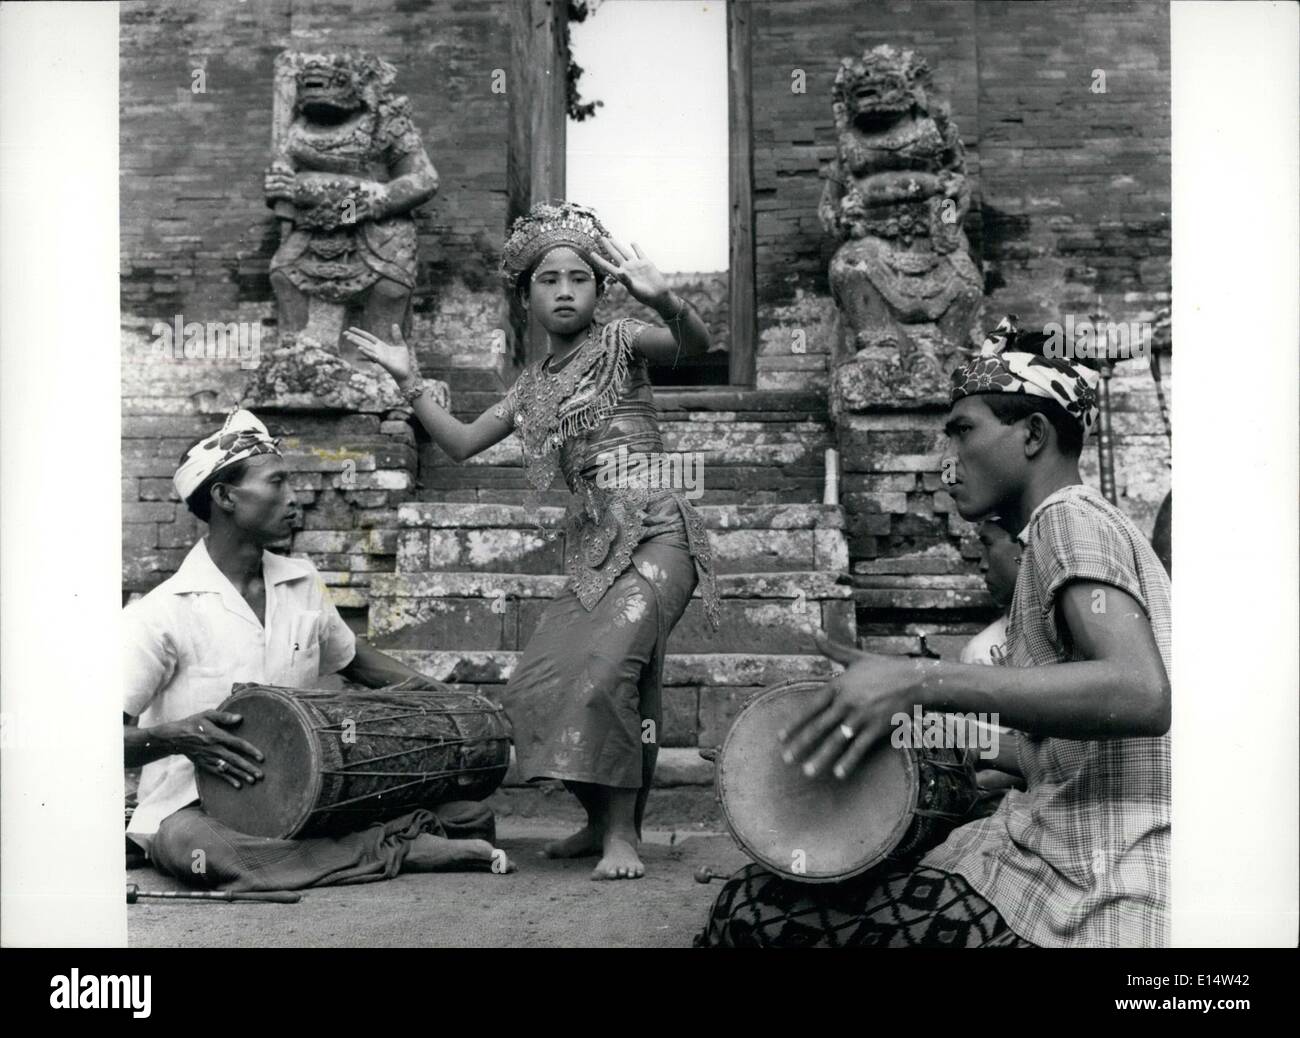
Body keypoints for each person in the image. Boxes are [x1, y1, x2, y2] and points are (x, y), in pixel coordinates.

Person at [698, 316, 1171, 947]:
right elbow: (1061, 752)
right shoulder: (1074, 527)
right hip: (1086, 856)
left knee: (747, 913)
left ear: (1033, 434)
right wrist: (919, 728)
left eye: (963, 432)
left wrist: (921, 679)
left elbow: (1140, 693)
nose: (948, 462)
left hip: (1092, 885)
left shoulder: (1067, 520)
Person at [348, 201, 719, 881]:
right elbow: (458, 443)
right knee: (534, 689)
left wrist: (666, 299)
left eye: (579, 277)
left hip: (659, 536)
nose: (565, 290)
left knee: (611, 674)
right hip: (591, 552)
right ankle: (593, 819)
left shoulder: (624, 342)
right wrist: (409, 381)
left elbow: (695, 347)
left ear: (600, 288)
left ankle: (623, 836)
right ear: (527, 296)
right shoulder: (528, 390)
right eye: (548, 279)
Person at [124, 410, 514, 891]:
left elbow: (360, 664)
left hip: (311, 794)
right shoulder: (160, 612)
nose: (294, 499)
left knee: (469, 811)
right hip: (194, 805)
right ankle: (403, 847)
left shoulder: (301, 581)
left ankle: (353, 851)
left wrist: (462, 709)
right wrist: (178, 737)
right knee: (205, 851)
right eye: (278, 483)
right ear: (225, 497)